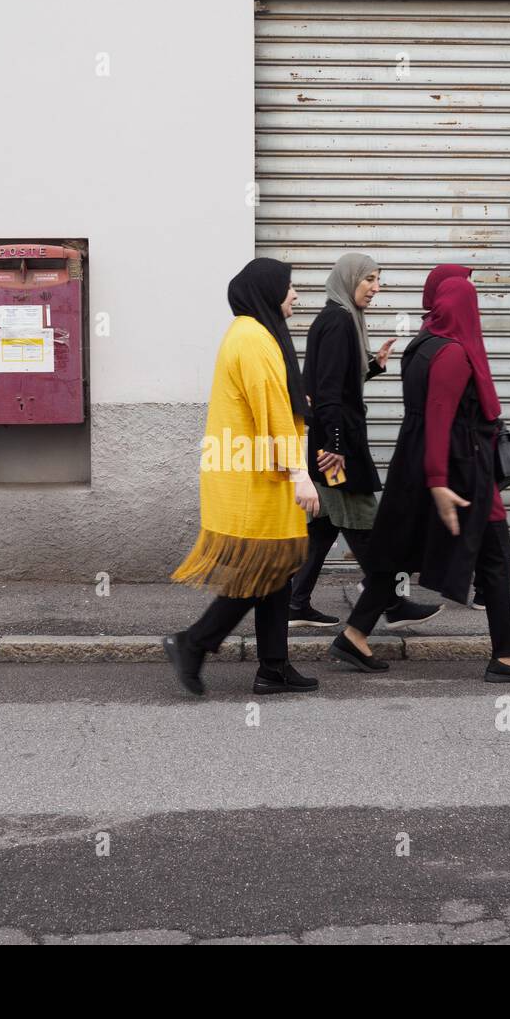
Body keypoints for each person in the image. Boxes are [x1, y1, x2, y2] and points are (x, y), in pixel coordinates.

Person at [330, 272, 510, 682]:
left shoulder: (422, 344)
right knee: (496, 557)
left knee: (399, 552)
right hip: (459, 470)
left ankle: (354, 634)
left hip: (419, 464)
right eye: (472, 301)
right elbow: (438, 417)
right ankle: (506, 656)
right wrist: (439, 482)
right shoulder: (452, 353)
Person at [164, 258, 321, 697]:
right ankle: (192, 642)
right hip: (255, 476)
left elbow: (273, 399)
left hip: (255, 472)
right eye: (289, 287)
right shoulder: (253, 337)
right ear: (269, 291)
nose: (296, 295)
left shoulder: (252, 332)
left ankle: (274, 668)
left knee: (276, 571)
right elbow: (269, 409)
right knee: (261, 571)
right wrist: (298, 472)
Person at [290, 252, 443, 632]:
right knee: (366, 527)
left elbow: (337, 386)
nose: (376, 287)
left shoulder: (336, 318)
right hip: (338, 451)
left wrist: (372, 366)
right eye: (369, 279)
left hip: (330, 443)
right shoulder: (339, 322)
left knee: (324, 528)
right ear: (349, 280)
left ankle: (295, 603)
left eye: (377, 280)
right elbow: (326, 395)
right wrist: (338, 447)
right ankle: (390, 602)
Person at [419, 266, 510, 612]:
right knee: (488, 533)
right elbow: (440, 414)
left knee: (473, 530)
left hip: (466, 456)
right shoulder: (450, 349)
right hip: (465, 459)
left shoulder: (445, 339)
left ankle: (491, 608)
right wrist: (438, 474)